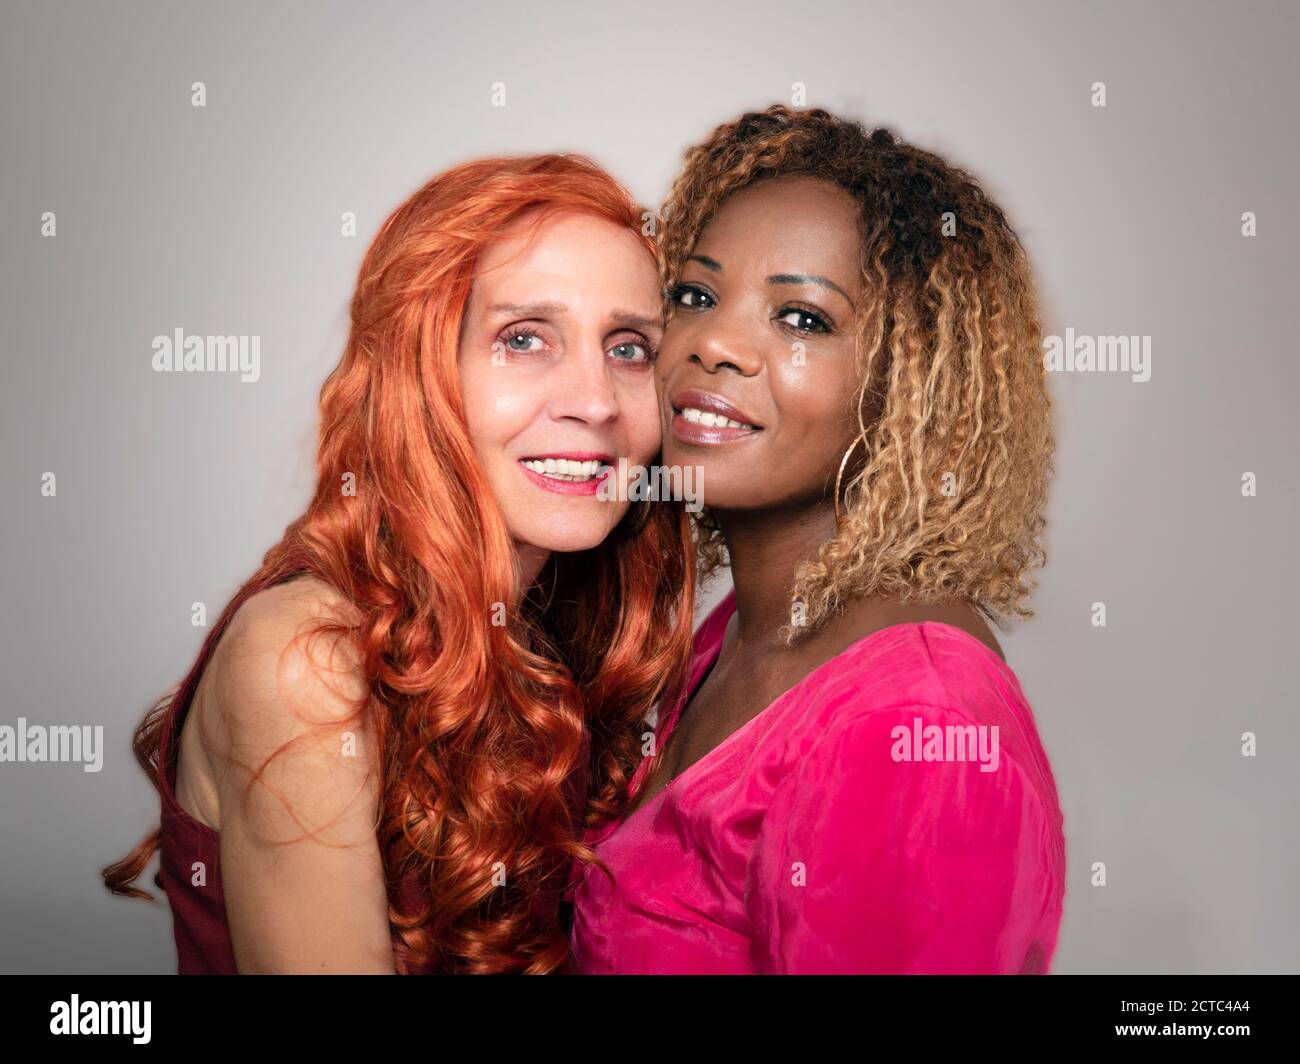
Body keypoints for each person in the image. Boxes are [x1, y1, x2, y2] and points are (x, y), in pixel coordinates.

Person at [102, 153, 695, 974]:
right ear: (420, 374)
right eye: (524, 339)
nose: (594, 400)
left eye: (629, 348)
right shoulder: (307, 660)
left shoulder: (553, 627)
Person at [570, 106, 1066, 974]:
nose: (714, 343)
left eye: (801, 319)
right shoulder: (743, 630)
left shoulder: (916, 732)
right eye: (694, 295)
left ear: (911, 385)